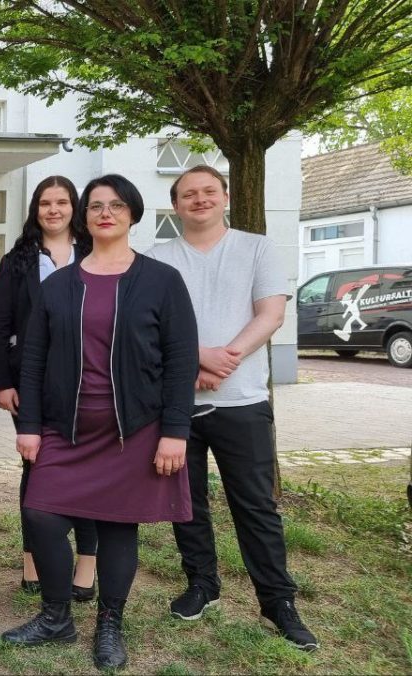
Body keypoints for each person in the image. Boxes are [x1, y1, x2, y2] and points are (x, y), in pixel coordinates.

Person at [1, 174, 198, 670]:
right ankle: (55, 618)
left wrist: (175, 431)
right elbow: (34, 358)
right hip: (66, 429)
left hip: (133, 430)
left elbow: (180, 359)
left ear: (132, 213)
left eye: (115, 205)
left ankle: (110, 623)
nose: (104, 213)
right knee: (41, 514)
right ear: (85, 217)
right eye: (95, 206)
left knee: (116, 528)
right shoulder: (61, 284)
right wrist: (30, 425)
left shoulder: (160, 280)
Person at [147, 165, 319, 651]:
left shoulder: (257, 247)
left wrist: (226, 359)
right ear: (176, 205)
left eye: (208, 192)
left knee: (256, 506)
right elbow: (151, 328)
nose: (198, 200)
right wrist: (197, 358)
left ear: (224, 197)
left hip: (243, 400)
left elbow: (272, 313)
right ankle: (202, 584)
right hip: (178, 404)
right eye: (187, 194)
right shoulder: (159, 258)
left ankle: (278, 601)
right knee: (187, 503)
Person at [0, 176, 98, 600]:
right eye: (45, 203)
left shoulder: (95, 254)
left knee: (90, 471)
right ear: (35, 210)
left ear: (75, 207)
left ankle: (86, 564)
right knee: (37, 469)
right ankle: (31, 561)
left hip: (91, 382)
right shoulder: (18, 260)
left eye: (62, 202)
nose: (54, 210)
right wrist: (1, 382)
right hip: (30, 383)